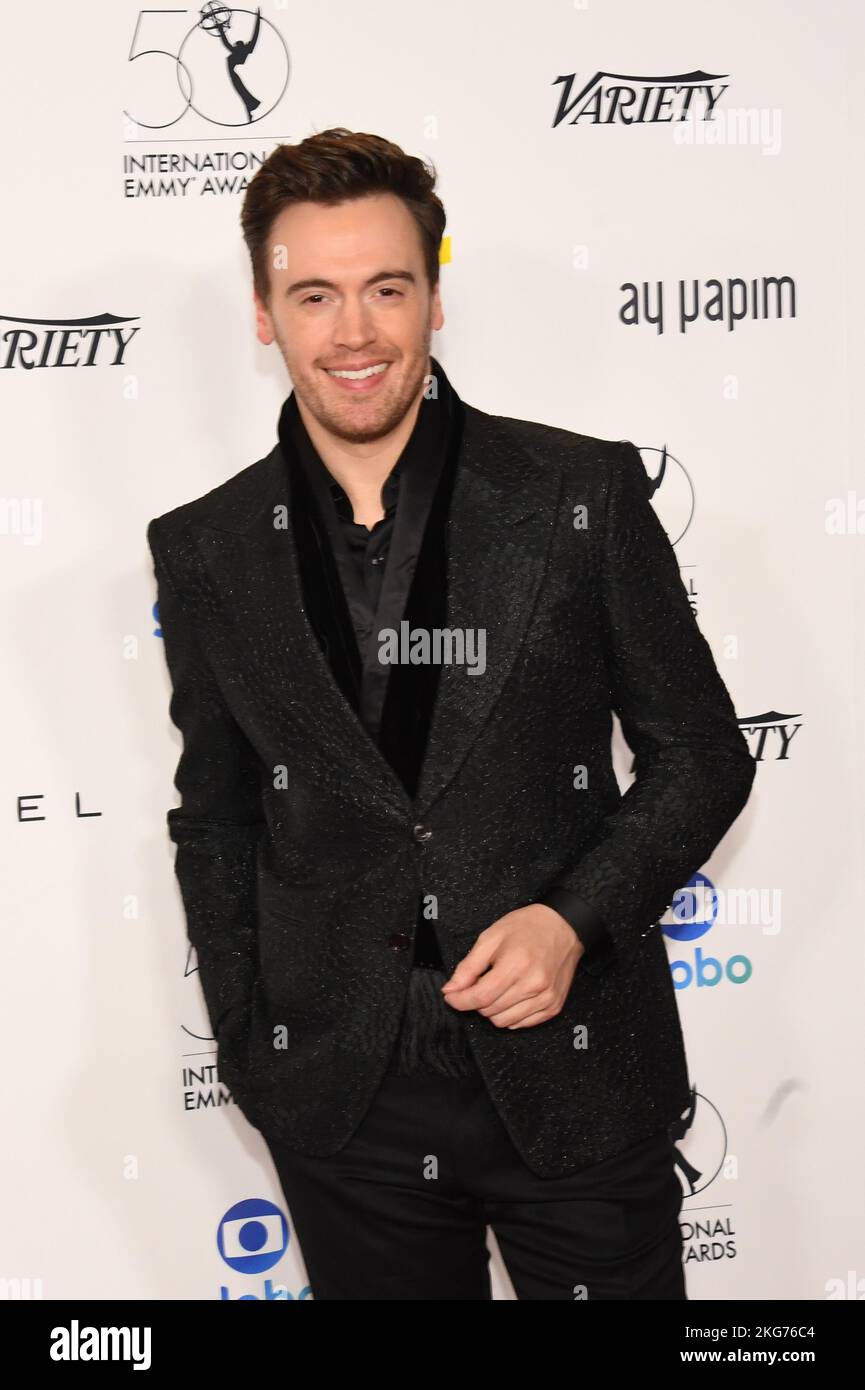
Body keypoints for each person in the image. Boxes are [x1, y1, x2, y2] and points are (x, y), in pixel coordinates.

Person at [147, 128, 755, 1300]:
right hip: (346, 1107)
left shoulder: (578, 493)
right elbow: (215, 816)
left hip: (573, 1073)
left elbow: (702, 758)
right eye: (313, 294)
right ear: (266, 314)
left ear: (434, 296)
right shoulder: (207, 548)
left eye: (387, 288)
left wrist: (573, 920)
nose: (355, 331)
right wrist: (251, 1040)